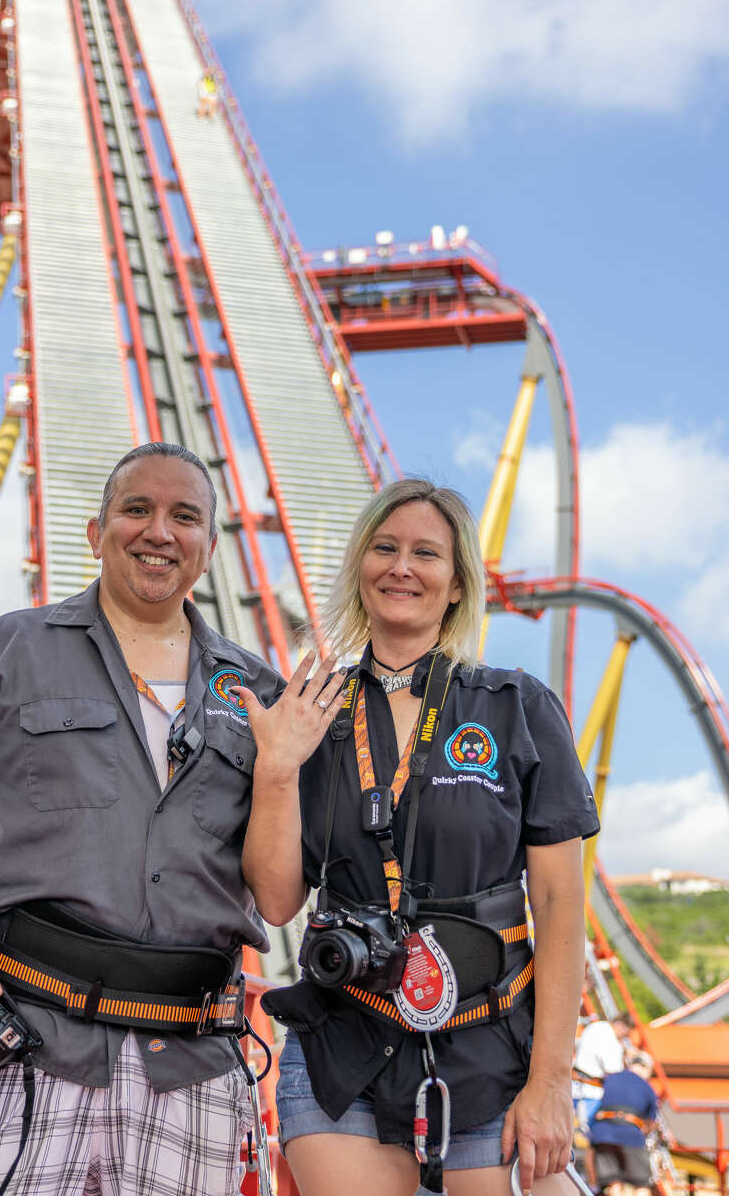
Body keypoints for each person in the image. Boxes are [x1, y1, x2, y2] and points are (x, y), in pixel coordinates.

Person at [0, 442, 341, 1196]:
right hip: (27, 1046)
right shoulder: (10, 650)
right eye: (137, 510)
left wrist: (282, 770)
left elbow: (280, 897)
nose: (159, 531)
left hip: (190, 1064)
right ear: (96, 533)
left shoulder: (259, 693)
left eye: (183, 516)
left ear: (209, 547)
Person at [238, 477, 600, 1195]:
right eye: (386, 548)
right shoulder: (313, 710)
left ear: (458, 583)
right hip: (345, 1045)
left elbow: (560, 906)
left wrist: (551, 1082)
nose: (402, 567)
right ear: (361, 567)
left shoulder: (515, 706)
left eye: (426, 554)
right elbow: (277, 904)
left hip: (490, 1048)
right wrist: (276, 770)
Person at [589, 1051, 658, 1196]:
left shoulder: (611, 1078)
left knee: (613, 1182)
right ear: (646, 1069)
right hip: (630, 1135)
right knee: (642, 1183)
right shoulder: (647, 1088)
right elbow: (650, 1123)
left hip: (602, 1133)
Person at [572, 1015, 631, 1130]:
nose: (624, 1037)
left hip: (574, 1084)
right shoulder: (611, 1040)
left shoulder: (595, 1026)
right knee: (581, 1130)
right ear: (622, 1027)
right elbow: (615, 1072)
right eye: (625, 1034)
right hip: (591, 1092)